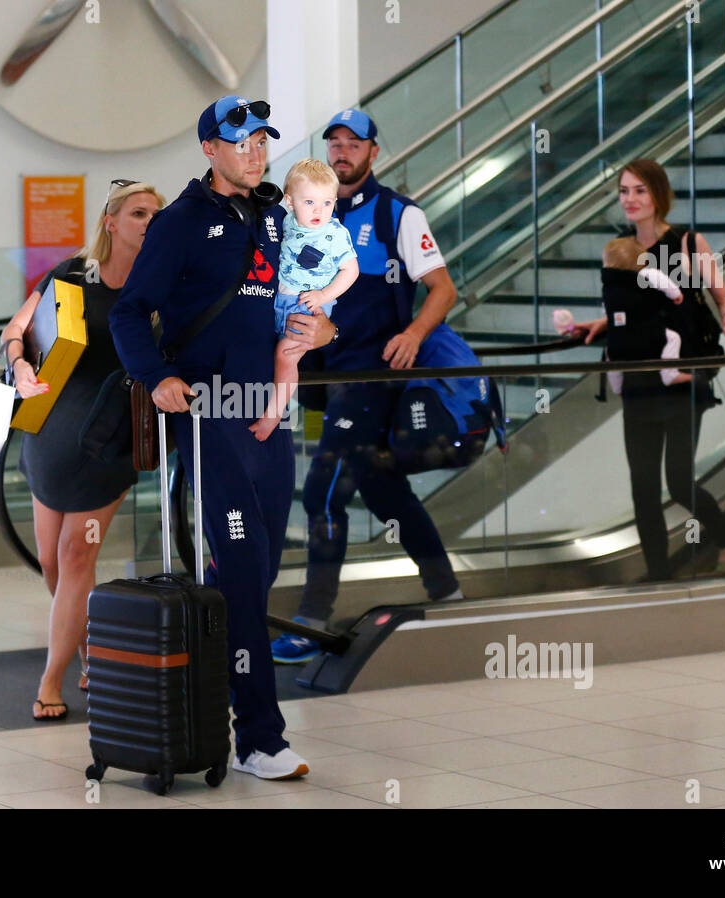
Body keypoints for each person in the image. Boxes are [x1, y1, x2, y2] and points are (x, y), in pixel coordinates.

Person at [109, 96, 336, 780]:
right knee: (241, 570)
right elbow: (129, 311)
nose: (256, 152)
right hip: (207, 412)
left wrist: (323, 332)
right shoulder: (179, 223)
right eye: (241, 142)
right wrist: (154, 378)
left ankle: (210, 681)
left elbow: (301, 299)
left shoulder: (275, 215)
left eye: (262, 141)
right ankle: (260, 737)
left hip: (268, 413)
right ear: (210, 149)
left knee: (258, 568)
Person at [272, 108, 461, 665]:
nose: (342, 151)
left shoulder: (397, 214)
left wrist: (413, 332)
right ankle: (447, 590)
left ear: (374, 152)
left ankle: (311, 619)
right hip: (321, 378)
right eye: (334, 142)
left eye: (354, 143)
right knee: (383, 490)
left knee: (324, 489)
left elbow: (443, 288)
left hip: (373, 379)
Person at [0, 180, 165, 720]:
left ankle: (52, 680)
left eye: (155, 215)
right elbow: (18, 328)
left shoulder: (160, 290)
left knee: (77, 554)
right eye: (138, 212)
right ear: (111, 222)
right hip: (49, 429)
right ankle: (92, 647)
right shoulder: (74, 275)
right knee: (50, 559)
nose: (148, 221)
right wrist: (20, 364)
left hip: (110, 439)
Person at [573, 158, 725, 580]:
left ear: (658, 195)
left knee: (679, 482)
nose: (630, 200)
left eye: (640, 191)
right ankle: (657, 577)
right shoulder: (617, 249)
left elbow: (722, 296)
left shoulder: (688, 243)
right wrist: (599, 325)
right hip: (639, 378)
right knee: (644, 489)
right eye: (624, 191)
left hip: (686, 375)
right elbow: (624, 311)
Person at [250, 158, 358, 441]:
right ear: (290, 201)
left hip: (308, 305)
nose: (319, 211)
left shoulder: (335, 233)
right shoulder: (286, 221)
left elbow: (351, 270)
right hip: (279, 300)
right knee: (271, 351)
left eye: (327, 203)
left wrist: (324, 295)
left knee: (286, 355)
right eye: (309, 202)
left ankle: (273, 415)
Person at [597, 235, 690, 395]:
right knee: (673, 338)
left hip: (618, 342)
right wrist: (676, 295)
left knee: (610, 354)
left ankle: (617, 387)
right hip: (648, 337)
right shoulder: (647, 274)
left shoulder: (607, 287)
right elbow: (667, 285)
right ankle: (669, 374)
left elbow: (607, 311)